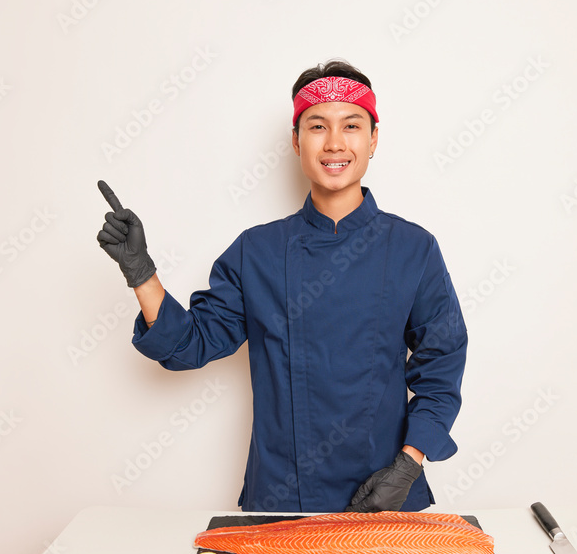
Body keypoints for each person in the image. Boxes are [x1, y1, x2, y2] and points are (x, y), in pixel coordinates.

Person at [97, 59, 467, 514]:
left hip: (385, 493)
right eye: (317, 126)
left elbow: (441, 369)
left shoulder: (414, 249)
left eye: (351, 125)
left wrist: (408, 467)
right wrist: (141, 272)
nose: (334, 143)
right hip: (282, 498)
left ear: (373, 139)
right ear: (296, 140)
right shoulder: (258, 252)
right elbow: (186, 347)